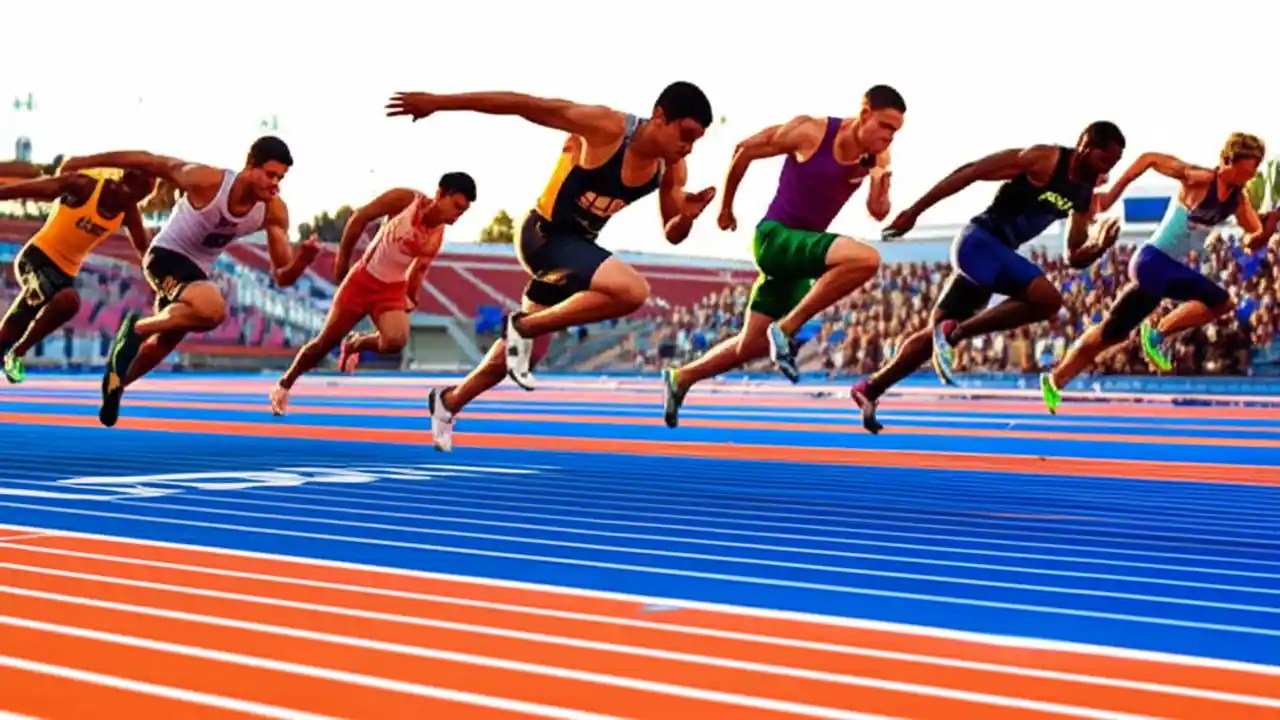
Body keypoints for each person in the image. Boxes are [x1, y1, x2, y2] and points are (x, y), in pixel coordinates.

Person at [386, 82, 717, 451]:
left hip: (573, 254)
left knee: (530, 353)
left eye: (696, 141)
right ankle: (523, 325)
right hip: (542, 236)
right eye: (685, 134)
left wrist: (686, 218)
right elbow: (524, 105)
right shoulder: (607, 128)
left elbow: (672, 234)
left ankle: (449, 401)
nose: (688, 147)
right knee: (633, 291)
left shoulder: (672, 167)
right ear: (659, 116)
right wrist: (437, 102)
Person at [850, 121, 1128, 433]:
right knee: (1048, 300)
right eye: (1105, 160)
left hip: (992, 258)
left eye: (1115, 163)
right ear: (1086, 146)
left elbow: (1073, 257)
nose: (1108, 169)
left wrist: (1098, 247)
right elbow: (972, 171)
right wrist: (915, 212)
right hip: (978, 243)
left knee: (931, 338)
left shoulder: (1083, 194)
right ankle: (955, 333)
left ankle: (870, 389)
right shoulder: (1045, 159)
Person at [660, 85, 904, 428]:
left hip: (796, 260)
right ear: (864, 115)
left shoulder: (879, 155)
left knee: (752, 345)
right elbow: (744, 149)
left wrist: (880, 179)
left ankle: (682, 377)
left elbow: (878, 212)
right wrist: (726, 208)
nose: (889, 136)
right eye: (885, 126)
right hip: (774, 238)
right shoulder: (811, 132)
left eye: (896, 131)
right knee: (865, 259)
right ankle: (787, 328)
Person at [58, 136, 320, 427]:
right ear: (250, 167)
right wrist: (83, 162)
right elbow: (148, 160)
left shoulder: (274, 210)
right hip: (164, 256)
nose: (275, 185)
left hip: (196, 272)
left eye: (280, 178)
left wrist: (303, 260)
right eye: (270, 175)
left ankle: (117, 384)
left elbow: (283, 277)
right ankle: (137, 328)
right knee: (213, 310)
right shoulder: (207, 181)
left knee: (163, 345)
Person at [1041, 133, 1277, 412]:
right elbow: (1149, 159)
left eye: (1255, 169)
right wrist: (1112, 194)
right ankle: (1157, 334)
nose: (1250, 175)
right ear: (1228, 161)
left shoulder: (1238, 201)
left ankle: (1055, 379)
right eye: (1247, 169)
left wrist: (1268, 225)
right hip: (1151, 261)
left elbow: (1253, 238)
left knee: (1113, 333)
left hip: (1159, 273)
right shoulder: (1199, 178)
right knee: (1222, 301)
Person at [270, 172, 477, 416]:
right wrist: (342, 262)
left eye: (463, 212)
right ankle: (285, 384)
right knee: (324, 344)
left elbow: (419, 269)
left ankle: (355, 344)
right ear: (440, 194)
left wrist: (412, 296)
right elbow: (359, 218)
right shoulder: (405, 200)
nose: (457, 216)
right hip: (362, 280)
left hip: (391, 289)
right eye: (456, 206)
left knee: (395, 341)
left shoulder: (437, 236)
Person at [0, 169, 156, 382]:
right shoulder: (84, 187)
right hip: (37, 258)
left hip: (66, 273)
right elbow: (32, 188)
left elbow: (144, 248)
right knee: (68, 300)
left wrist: (160, 283)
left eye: (140, 200)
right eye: (134, 196)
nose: (131, 205)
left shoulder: (128, 211)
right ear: (123, 182)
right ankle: (14, 353)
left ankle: (15, 352)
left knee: (50, 307)